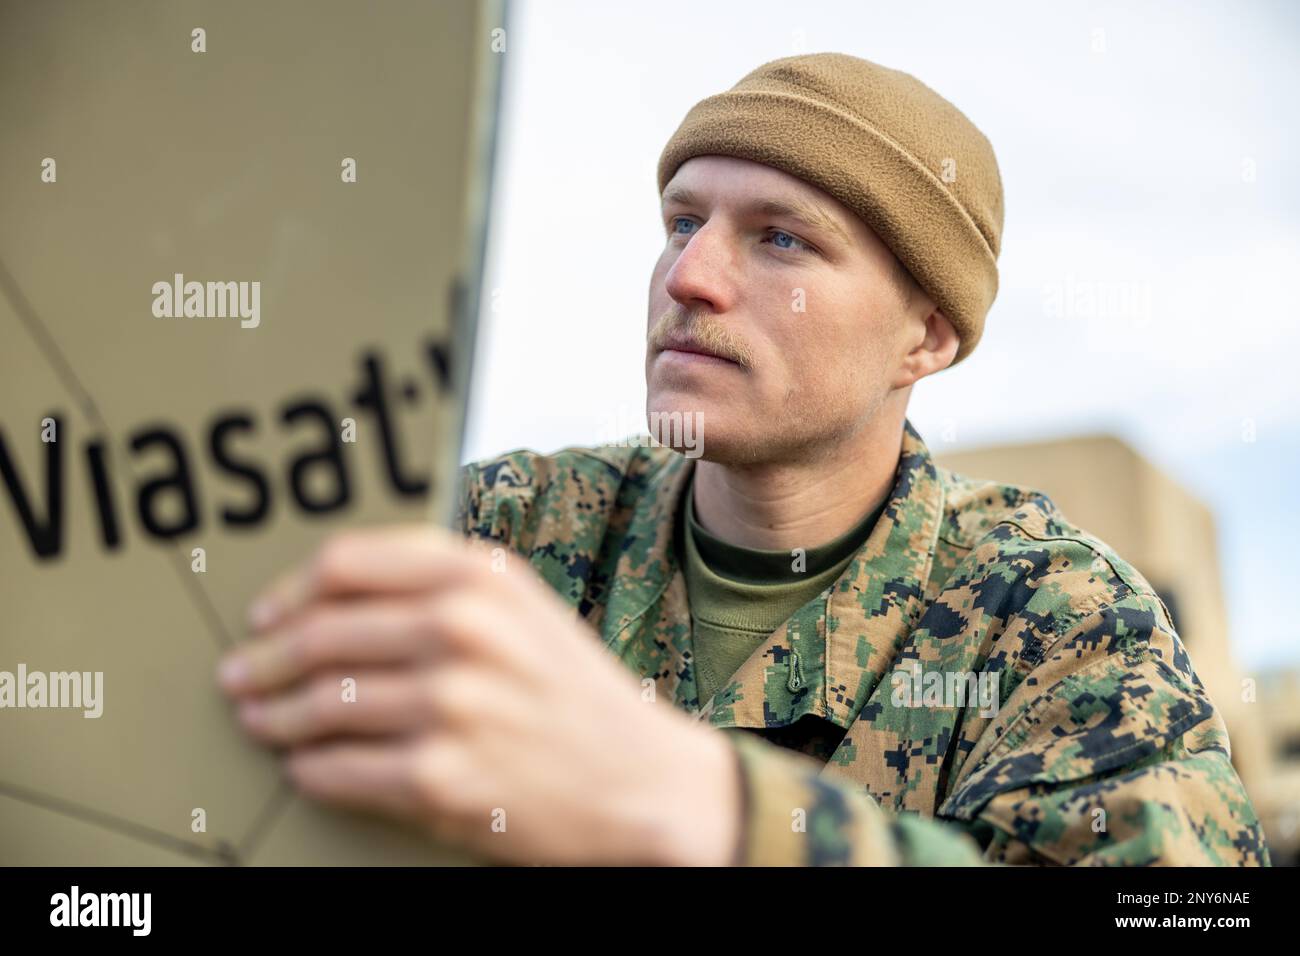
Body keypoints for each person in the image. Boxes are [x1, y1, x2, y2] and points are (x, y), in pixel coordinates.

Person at [217, 52, 1270, 866]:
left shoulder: (1052, 615)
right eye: (681, 221)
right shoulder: (507, 528)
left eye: (780, 239)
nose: (691, 274)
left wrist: (709, 810)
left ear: (926, 336)